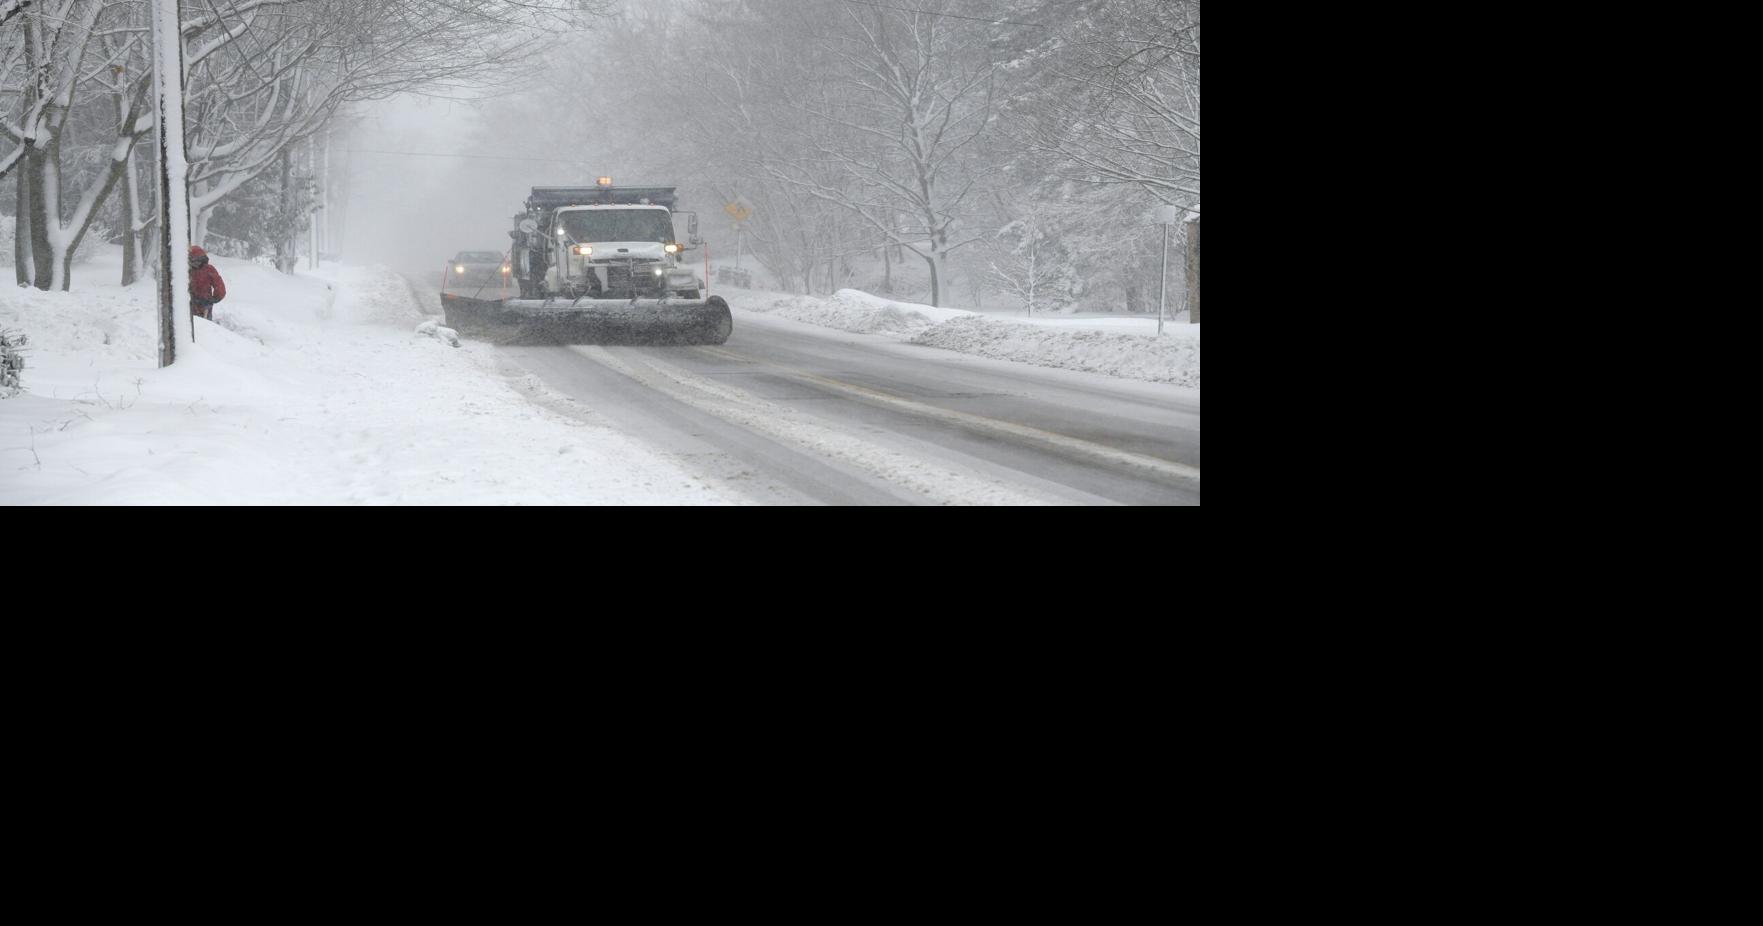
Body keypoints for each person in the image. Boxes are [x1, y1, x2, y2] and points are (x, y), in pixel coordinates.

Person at [188, 246, 227, 320]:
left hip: (205, 304)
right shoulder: (187, 270)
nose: (194, 264)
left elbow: (219, 285)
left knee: (206, 326)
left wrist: (214, 299)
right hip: (190, 303)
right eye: (191, 261)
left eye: (196, 261)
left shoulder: (209, 270)